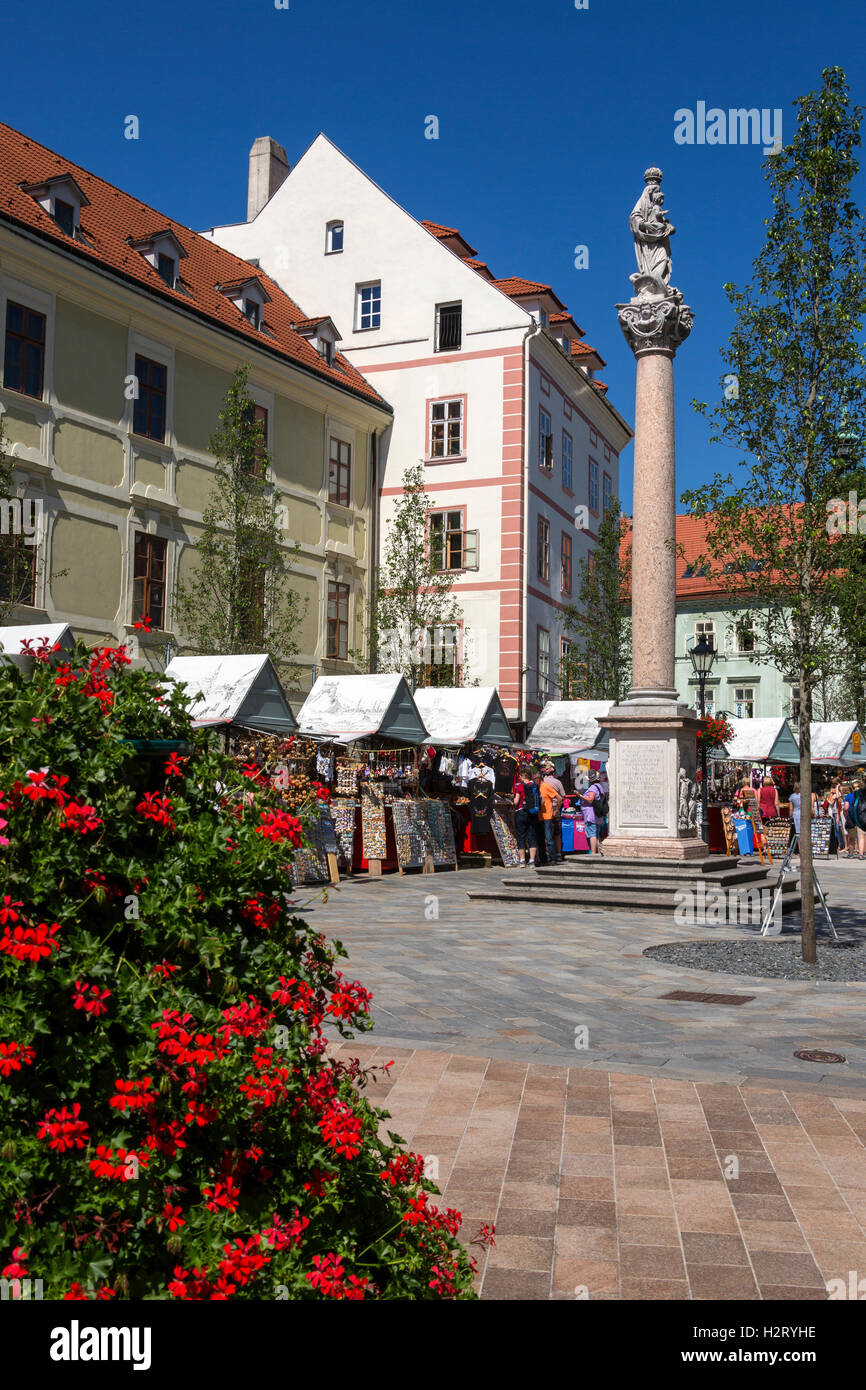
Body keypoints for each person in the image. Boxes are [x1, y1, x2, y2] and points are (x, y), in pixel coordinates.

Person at [534, 769, 563, 866]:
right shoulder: (535, 788)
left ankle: (553, 858)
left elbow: (559, 798)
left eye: (534, 779)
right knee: (540, 839)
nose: (533, 781)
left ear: (539, 778)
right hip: (539, 816)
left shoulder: (546, 786)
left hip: (547, 816)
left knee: (549, 838)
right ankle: (543, 860)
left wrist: (556, 810)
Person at [513, 769, 539, 867]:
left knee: (521, 837)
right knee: (532, 836)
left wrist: (512, 803)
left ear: (523, 776)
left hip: (521, 813)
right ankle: (532, 861)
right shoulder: (535, 786)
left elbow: (516, 801)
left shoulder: (519, 786)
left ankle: (522, 861)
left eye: (520, 776)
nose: (519, 778)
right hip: (532, 813)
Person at [541, 760, 566, 863]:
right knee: (556, 833)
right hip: (555, 809)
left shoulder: (542, 782)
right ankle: (558, 854)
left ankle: (547, 854)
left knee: (546, 834)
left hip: (544, 810)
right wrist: (556, 809)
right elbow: (563, 796)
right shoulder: (557, 782)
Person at [578, 773, 604, 855]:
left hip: (591, 814)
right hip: (597, 815)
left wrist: (579, 795)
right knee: (597, 834)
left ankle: (593, 853)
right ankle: (598, 853)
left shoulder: (593, 788)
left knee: (592, 834)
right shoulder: (600, 786)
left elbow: (590, 800)